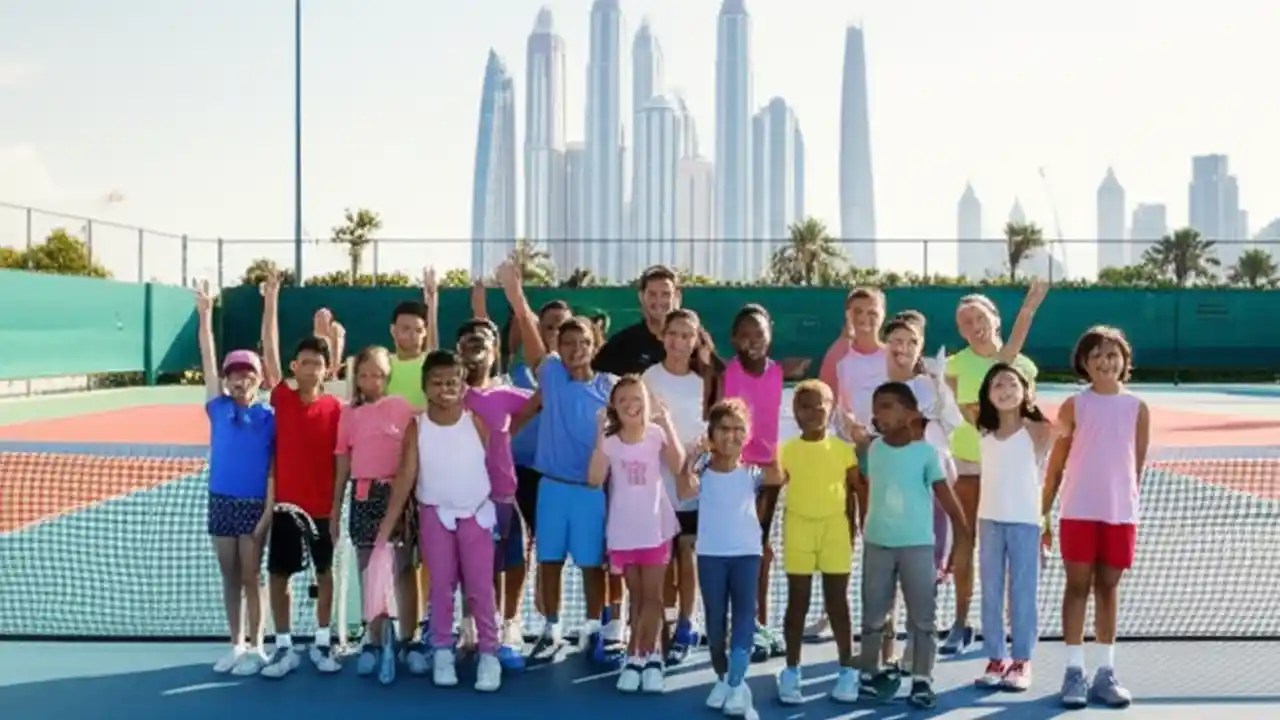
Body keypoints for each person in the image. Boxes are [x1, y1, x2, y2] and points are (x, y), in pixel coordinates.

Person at [501, 266, 621, 668]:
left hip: (591, 493)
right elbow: (531, 335)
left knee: (592, 565)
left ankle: (592, 630)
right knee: (548, 561)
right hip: (551, 489)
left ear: (594, 345)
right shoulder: (550, 374)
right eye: (567, 342)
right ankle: (551, 630)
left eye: (582, 342)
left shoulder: (611, 386)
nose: (574, 349)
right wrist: (517, 297)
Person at [378, 350, 503, 692]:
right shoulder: (416, 428)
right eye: (437, 382)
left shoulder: (477, 421)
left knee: (480, 589)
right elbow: (405, 476)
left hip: (476, 514)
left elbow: (497, 465)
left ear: (463, 385)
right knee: (440, 588)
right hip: (434, 516)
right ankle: (442, 651)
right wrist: (387, 526)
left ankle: (489, 654)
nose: (445, 388)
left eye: (453, 382)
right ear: (425, 386)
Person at [1043, 327, 1149, 709]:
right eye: (1097, 356)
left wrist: (1126, 506)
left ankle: (1105, 672)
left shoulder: (1138, 408)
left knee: (1108, 588)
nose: (1106, 362)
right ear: (1084, 364)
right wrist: (1043, 510)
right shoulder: (1075, 406)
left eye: (1113, 355)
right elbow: (1056, 463)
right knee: (1077, 587)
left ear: (1124, 360)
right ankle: (1074, 671)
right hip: (1078, 510)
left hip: (1119, 514)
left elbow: (1135, 466)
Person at [942, 282, 1047, 655]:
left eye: (980, 317)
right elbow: (969, 416)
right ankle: (960, 621)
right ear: (960, 330)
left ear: (995, 319)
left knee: (1004, 552)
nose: (974, 325)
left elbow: (1032, 421)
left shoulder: (1024, 366)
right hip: (969, 462)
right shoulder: (953, 367)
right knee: (966, 542)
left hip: (1011, 471)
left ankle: (1004, 630)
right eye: (966, 321)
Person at [858, 382, 969, 710]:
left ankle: (922, 680)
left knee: (923, 619)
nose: (880, 412)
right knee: (874, 615)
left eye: (888, 405)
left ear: (910, 414)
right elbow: (864, 482)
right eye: (877, 406)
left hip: (918, 548)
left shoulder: (926, 454)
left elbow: (947, 500)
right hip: (877, 545)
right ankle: (868, 675)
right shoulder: (872, 450)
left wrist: (963, 538)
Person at [259, 272, 343, 678]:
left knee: (324, 574)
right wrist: (270, 302)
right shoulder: (283, 398)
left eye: (318, 362)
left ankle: (324, 643)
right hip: (287, 508)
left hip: (324, 508)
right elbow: (269, 353)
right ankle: (285, 646)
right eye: (304, 362)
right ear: (296, 367)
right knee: (279, 576)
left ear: (327, 369)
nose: (310, 367)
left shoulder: (336, 409)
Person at [680, 399, 777, 720]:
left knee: (745, 617)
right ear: (711, 433)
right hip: (711, 556)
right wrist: (693, 457)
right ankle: (724, 679)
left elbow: (777, 476)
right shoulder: (703, 467)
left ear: (746, 434)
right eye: (723, 429)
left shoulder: (754, 472)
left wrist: (764, 446)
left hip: (747, 556)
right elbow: (684, 489)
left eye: (738, 429)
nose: (731, 435)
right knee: (715, 622)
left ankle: (737, 683)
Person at [196, 281, 274, 676]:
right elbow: (208, 358)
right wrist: (205, 315)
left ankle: (259, 645)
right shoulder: (216, 407)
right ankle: (236, 644)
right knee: (229, 577)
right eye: (234, 375)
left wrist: (270, 303)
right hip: (220, 502)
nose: (240, 380)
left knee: (250, 574)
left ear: (259, 379)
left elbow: (274, 467)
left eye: (248, 374)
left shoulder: (269, 416)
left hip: (254, 506)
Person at [590, 377, 684, 693]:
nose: (631, 405)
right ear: (614, 407)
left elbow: (679, 464)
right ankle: (645, 656)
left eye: (637, 398)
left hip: (656, 528)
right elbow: (594, 478)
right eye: (623, 400)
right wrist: (598, 436)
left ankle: (642, 657)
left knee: (654, 597)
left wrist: (667, 419)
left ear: (646, 400)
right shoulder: (611, 441)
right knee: (637, 597)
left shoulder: (656, 434)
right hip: (623, 531)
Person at [331, 345, 418, 683]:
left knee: (401, 569)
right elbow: (342, 461)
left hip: (397, 496)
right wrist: (336, 506)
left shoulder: (401, 407)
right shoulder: (348, 414)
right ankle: (374, 640)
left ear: (388, 376)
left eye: (378, 374)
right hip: (363, 497)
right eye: (364, 374)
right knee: (369, 571)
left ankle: (408, 641)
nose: (371, 381)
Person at [453, 314, 532, 669]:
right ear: (458, 349)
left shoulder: (506, 394)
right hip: (458, 498)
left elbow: (545, 397)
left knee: (514, 562)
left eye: (483, 338)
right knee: (469, 568)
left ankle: (510, 627)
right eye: (468, 338)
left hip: (501, 496)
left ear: (495, 349)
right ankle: (470, 628)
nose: (476, 342)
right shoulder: (447, 392)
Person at [775, 380, 860, 705]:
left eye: (819, 405)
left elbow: (854, 496)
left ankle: (847, 670)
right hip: (797, 531)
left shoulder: (844, 452)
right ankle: (792, 671)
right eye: (804, 406)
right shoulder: (786, 451)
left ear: (831, 407)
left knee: (837, 602)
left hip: (834, 533)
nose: (812, 412)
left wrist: (854, 532)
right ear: (794, 412)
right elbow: (769, 489)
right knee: (797, 602)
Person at [641, 308, 718, 665]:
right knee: (661, 557)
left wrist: (695, 464)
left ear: (696, 340)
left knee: (687, 552)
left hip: (694, 482)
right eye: (673, 333)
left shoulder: (706, 382)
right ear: (663, 337)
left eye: (687, 335)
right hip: (656, 484)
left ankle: (688, 622)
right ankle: (662, 624)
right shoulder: (648, 378)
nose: (679, 341)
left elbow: (710, 435)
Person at [973, 363, 1053, 692]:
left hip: (1025, 522)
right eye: (996, 385)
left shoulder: (1038, 430)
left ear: (1025, 390)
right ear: (988, 395)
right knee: (991, 592)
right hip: (988, 520)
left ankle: (1021, 661)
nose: (1004, 390)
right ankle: (996, 658)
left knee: (1022, 593)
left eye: (1011, 384)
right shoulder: (983, 431)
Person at [720, 304, 786, 662]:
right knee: (740, 551)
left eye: (758, 334)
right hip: (738, 472)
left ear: (769, 334)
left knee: (761, 551)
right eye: (744, 335)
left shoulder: (777, 372)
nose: (752, 341)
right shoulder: (728, 373)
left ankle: (757, 622)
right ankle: (738, 624)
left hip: (769, 474)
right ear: (734, 339)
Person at [383, 270, 438, 674]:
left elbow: (435, 352)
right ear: (393, 331)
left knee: (432, 562)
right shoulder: (382, 369)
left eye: (419, 330)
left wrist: (432, 301)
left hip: (431, 481)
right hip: (391, 482)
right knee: (401, 563)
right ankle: (404, 635)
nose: (413, 335)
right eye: (406, 329)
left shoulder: (428, 367)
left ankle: (430, 634)